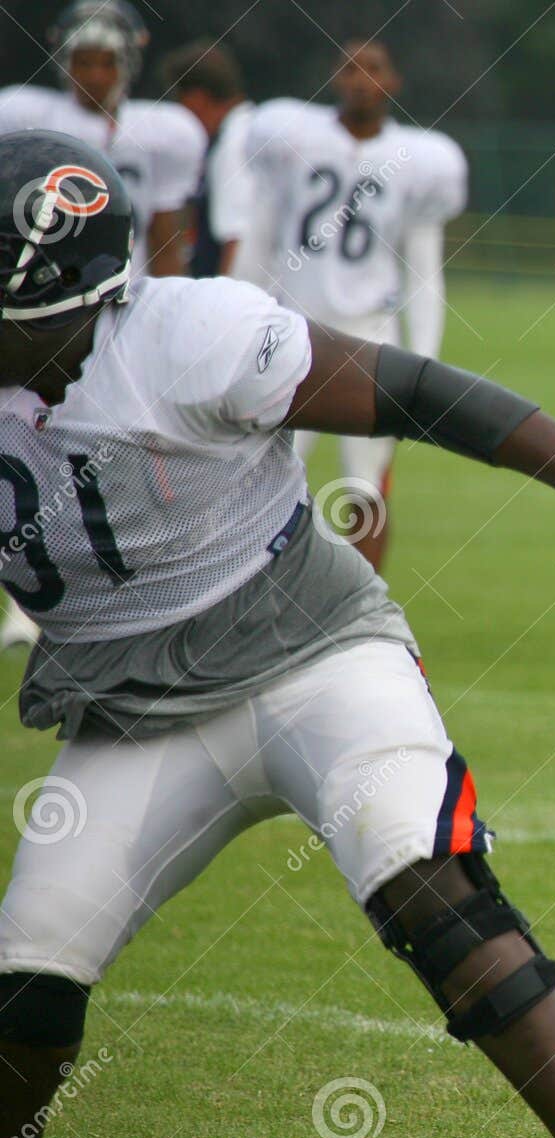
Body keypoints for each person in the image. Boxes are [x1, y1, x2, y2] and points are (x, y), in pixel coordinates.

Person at [0, 131, 555, 1138]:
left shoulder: (187, 334)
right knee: (28, 970)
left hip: (309, 648)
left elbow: (408, 390)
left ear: (78, 295)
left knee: (422, 871)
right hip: (133, 708)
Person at [0, 0, 204, 653]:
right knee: (29, 448)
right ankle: (27, 605)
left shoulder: (165, 131)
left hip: (118, 310)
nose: (93, 73)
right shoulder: (27, 118)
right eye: (83, 60)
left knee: (119, 448)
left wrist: (172, 309)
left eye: (105, 61)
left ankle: (131, 586)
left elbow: (169, 232)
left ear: (128, 65)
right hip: (37, 313)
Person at [243, 38, 468, 571]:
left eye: (372, 68)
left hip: (369, 336)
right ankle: (257, 599)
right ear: (332, 79)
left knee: (366, 487)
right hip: (290, 332)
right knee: (263, 480)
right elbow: (259, 244)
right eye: (347, 68)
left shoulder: (418, 159)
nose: (359, 79)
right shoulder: (293, 137)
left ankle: (363, 608)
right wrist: (240, 314)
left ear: (393, 83)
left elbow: (422, 269)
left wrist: (424, 359)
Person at [160, 39, 256, 280]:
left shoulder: (234, 146)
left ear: (197, 99)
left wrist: (224, 311)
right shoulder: (243, 133)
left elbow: (235, 237)